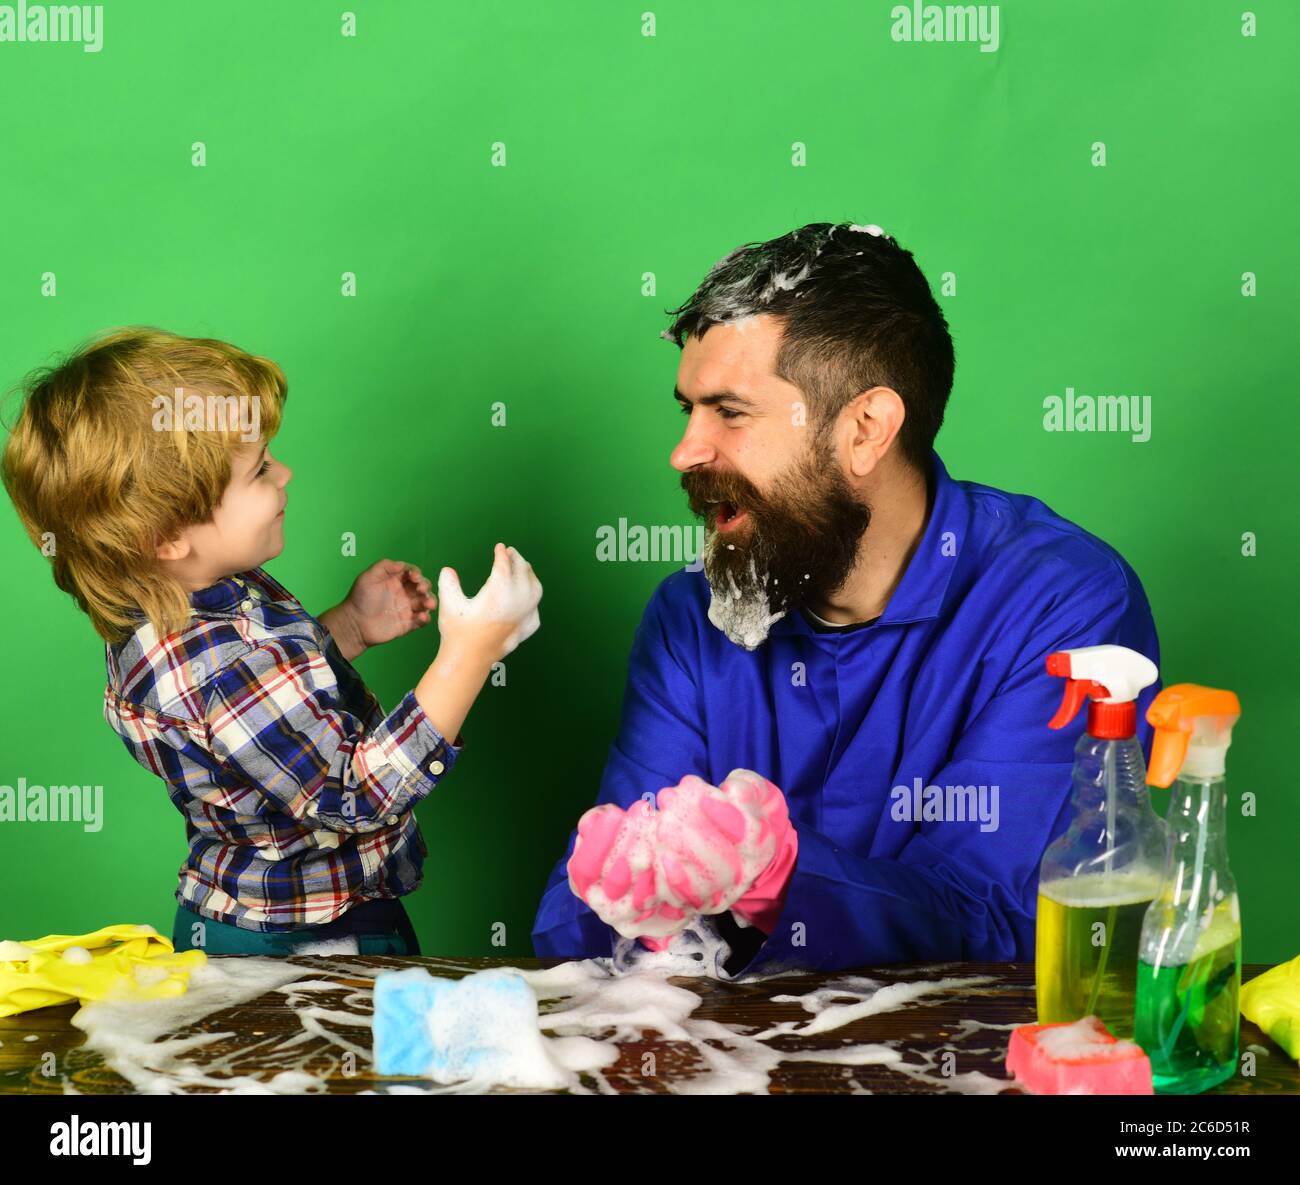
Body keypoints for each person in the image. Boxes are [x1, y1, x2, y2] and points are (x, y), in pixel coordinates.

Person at [533, 222, 1160, 976]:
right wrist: (622, 899)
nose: (686, 450)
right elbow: (590, 938)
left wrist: (772, 877)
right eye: (687, 410)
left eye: (730, 412)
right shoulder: (688, 622)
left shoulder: (1061, 604)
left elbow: (1005, 929)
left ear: (865, 430)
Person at [1, 327, 542, 956]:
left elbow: (271, 715)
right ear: (170, 534)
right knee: (369, 1061)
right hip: (303, 947)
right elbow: (355, 792)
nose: (284, 472)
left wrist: (350, 625)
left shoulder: (188, 603)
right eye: (259, 470)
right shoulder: (217, 665)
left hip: (276, 913)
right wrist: (469, 654)